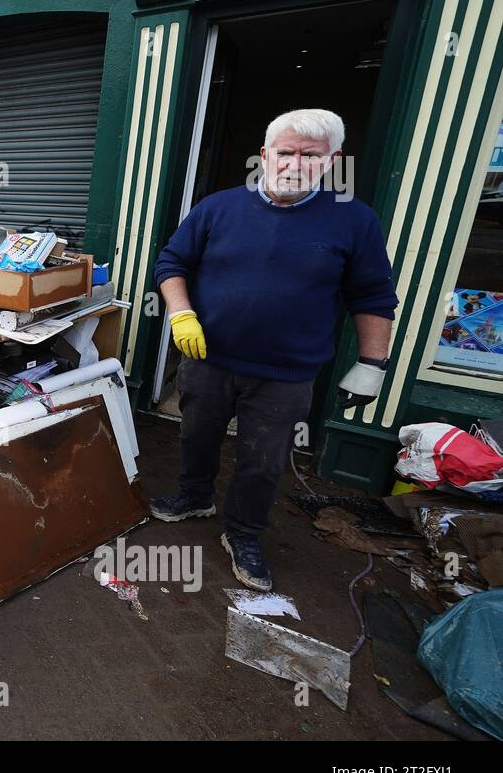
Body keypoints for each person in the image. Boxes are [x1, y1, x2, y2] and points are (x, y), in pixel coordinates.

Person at [149, 109, 397, 591]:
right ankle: (195, 495)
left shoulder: (354, 220)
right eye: (285, 152)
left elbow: (373, 296)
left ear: (333, 161)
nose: (295, 163)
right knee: (195, 435)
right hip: (208, 359)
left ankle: (243, 532)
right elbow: (171, 261)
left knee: (262, 459)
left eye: (311, 156)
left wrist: (373, 363)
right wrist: (181, 312)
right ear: (264, 155)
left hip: (286, 372)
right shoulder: (218, 208)